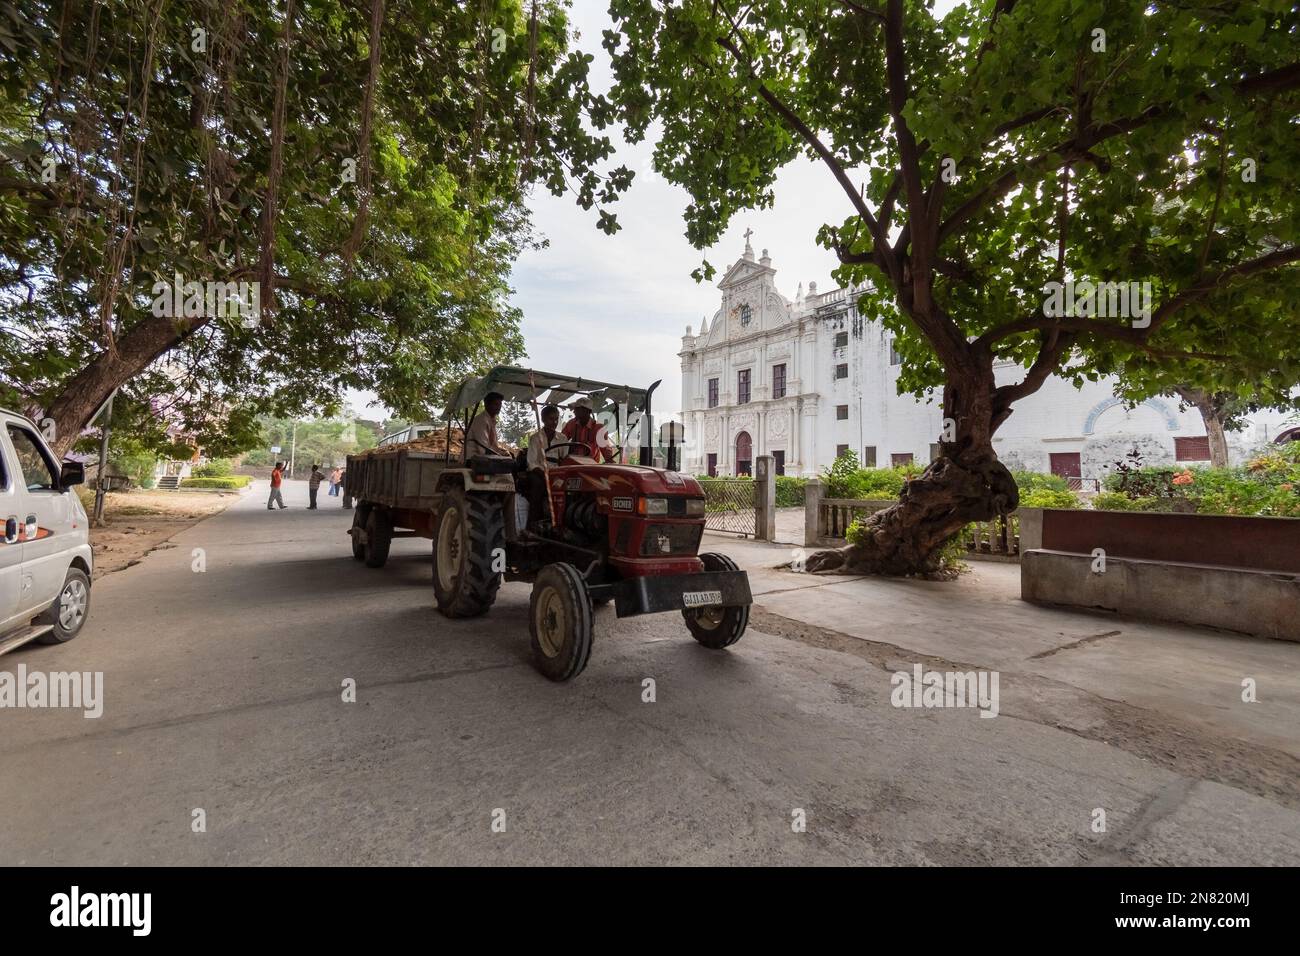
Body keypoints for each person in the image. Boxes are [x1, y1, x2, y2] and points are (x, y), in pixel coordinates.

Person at [524, 404, 569, 529]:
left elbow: (564, 459)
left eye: (556, 419)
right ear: (543, 419)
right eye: (551, 419)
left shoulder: (562, 438)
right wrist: (544, 475)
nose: (554, 422)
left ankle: (564, 520)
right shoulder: (535, 438)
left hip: (556, 473)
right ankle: (534, 523)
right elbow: (531, 463)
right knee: (538, 485)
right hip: (539, 472)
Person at [562, 396, 616, 462]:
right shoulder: (571, 424)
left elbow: (606, 449)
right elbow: (561, 440)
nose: (574, 412)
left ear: (588, 411)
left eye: (577, 409)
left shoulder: (598, 428)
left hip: (590, 466)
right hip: (574, 464)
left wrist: (609, 460)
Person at [467, 391, 508, 457]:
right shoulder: (481, 420)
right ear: (487, 404)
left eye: (500, 404)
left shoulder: (492, 421)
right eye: (496, 404)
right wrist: (500, 456)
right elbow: (483, 449)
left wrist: (502, 453)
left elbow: (493, 446)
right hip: (472, 460)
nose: (499, 407)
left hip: (482, 458)